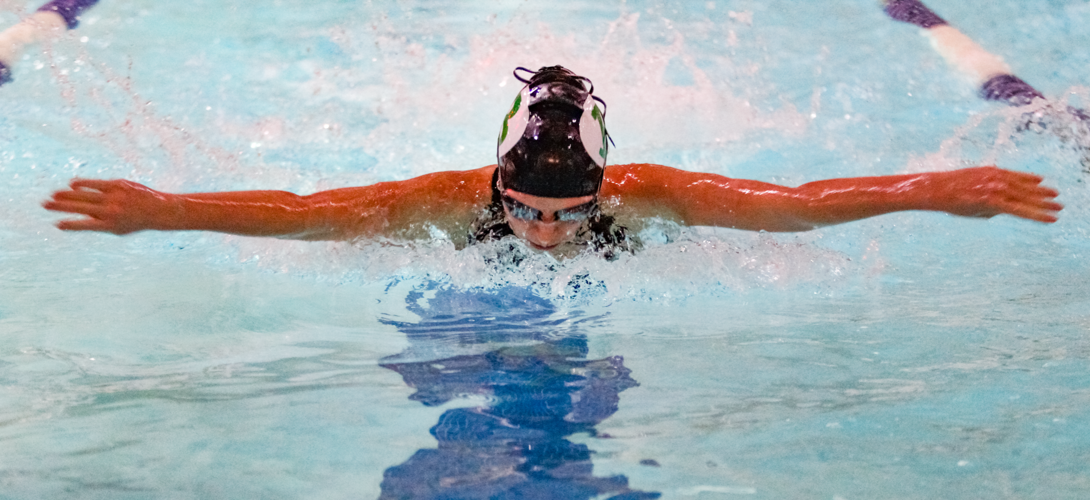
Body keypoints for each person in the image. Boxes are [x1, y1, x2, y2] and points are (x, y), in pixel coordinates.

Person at [43, 65, 1062, 258]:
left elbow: (789, 203)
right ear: (495, 185)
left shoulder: (653, 194)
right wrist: (161, 208)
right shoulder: (443, 204)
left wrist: (929, 191)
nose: (542, 231)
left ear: (601, 193)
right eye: (528, 211)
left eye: (565, 218)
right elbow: (305, 210)